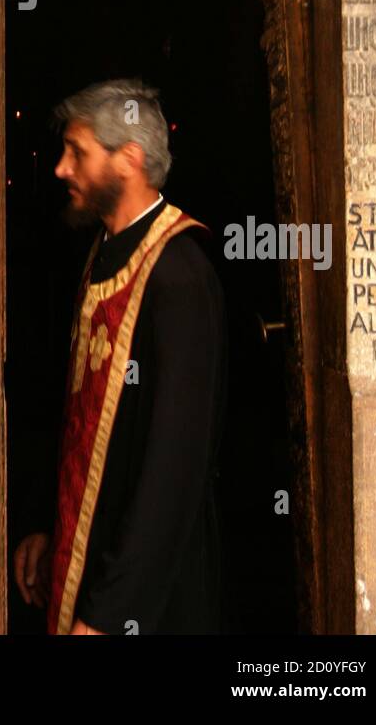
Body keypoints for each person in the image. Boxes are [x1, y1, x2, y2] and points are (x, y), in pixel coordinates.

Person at [13, 78, 227, 635]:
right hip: (87, 566)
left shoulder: (180, 273)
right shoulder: (100, 254)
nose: (61, 168)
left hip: (146, 602)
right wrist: (53, 533)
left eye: (77, 153)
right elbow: (82, 423)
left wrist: (115, 611)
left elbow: (172, 469)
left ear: (128, 159)